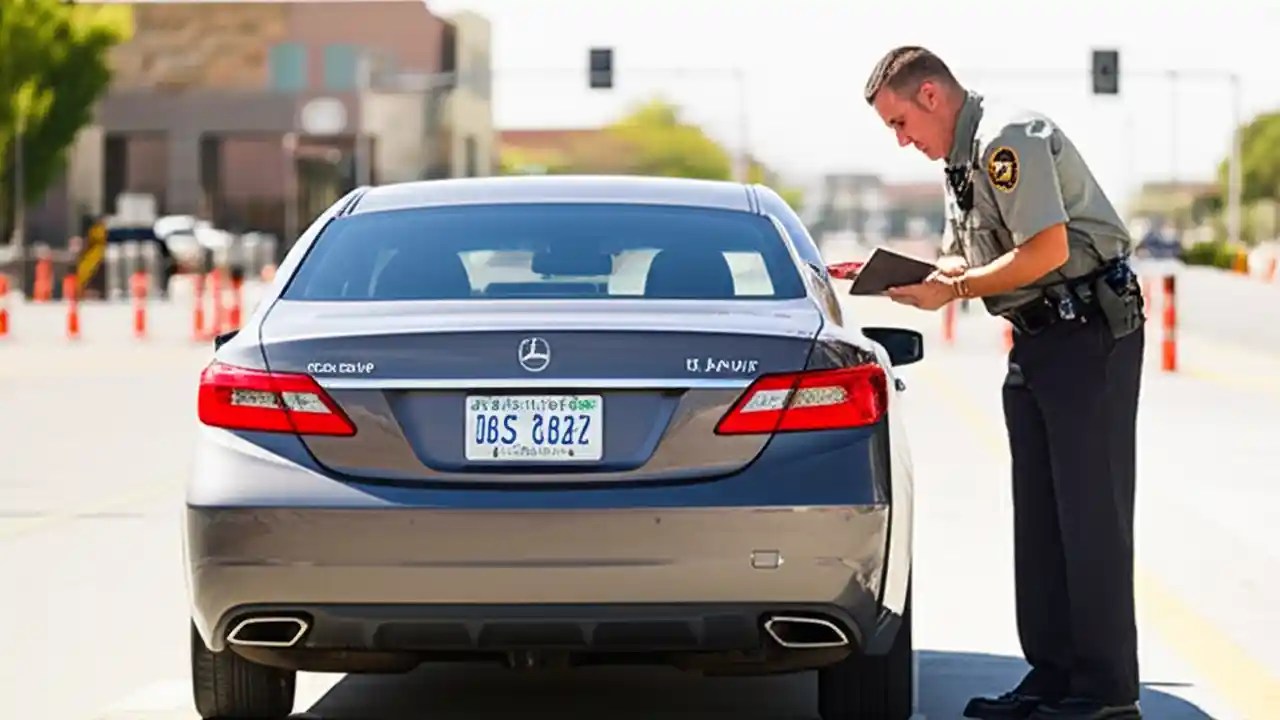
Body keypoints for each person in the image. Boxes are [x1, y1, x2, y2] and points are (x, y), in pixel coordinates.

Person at [860, 46, 1147, 720]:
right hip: (1039, 339)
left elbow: (1045, 248)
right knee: (1042, 520)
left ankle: (1105, 692)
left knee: (1091, 516)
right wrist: (916, 275)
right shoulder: (959, 161)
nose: (903, 142)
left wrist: (954, 288)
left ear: (931, 95)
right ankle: (1052, 678)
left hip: (1087, 336)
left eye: (901, 123)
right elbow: (973, 250)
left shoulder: (1006, 140)